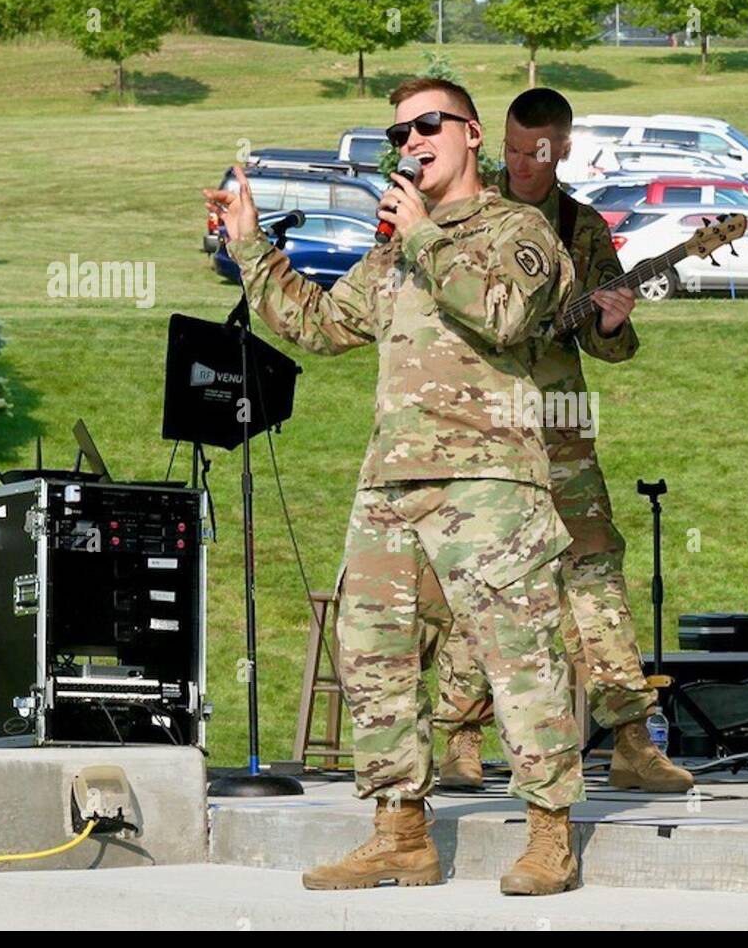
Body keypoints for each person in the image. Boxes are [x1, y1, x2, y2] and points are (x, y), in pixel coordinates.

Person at [204, 77, 586, 896]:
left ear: (472, 134)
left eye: (428, 124)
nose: (411, 140)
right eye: (399, 130)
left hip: (488, 483)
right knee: (374, 660)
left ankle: (550, 835)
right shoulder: (392, 250)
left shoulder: (519, 229)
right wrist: (249, 244)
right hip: (390, 483)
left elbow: (509, 317)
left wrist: (423, 240)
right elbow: (319, 323)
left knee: (519, 659)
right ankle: (400, 833)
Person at [432, 88, 694, 794]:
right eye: (511, 150)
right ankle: (456, 735)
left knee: (597, 577)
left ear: (564, 149)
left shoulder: (583, 228)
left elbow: (613, 346)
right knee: (483, 582)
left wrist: (609, 321)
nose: (521, 164)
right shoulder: (463, 213)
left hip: (563, 434)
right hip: (484, 431)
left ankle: (633, 739)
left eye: (537, 152)